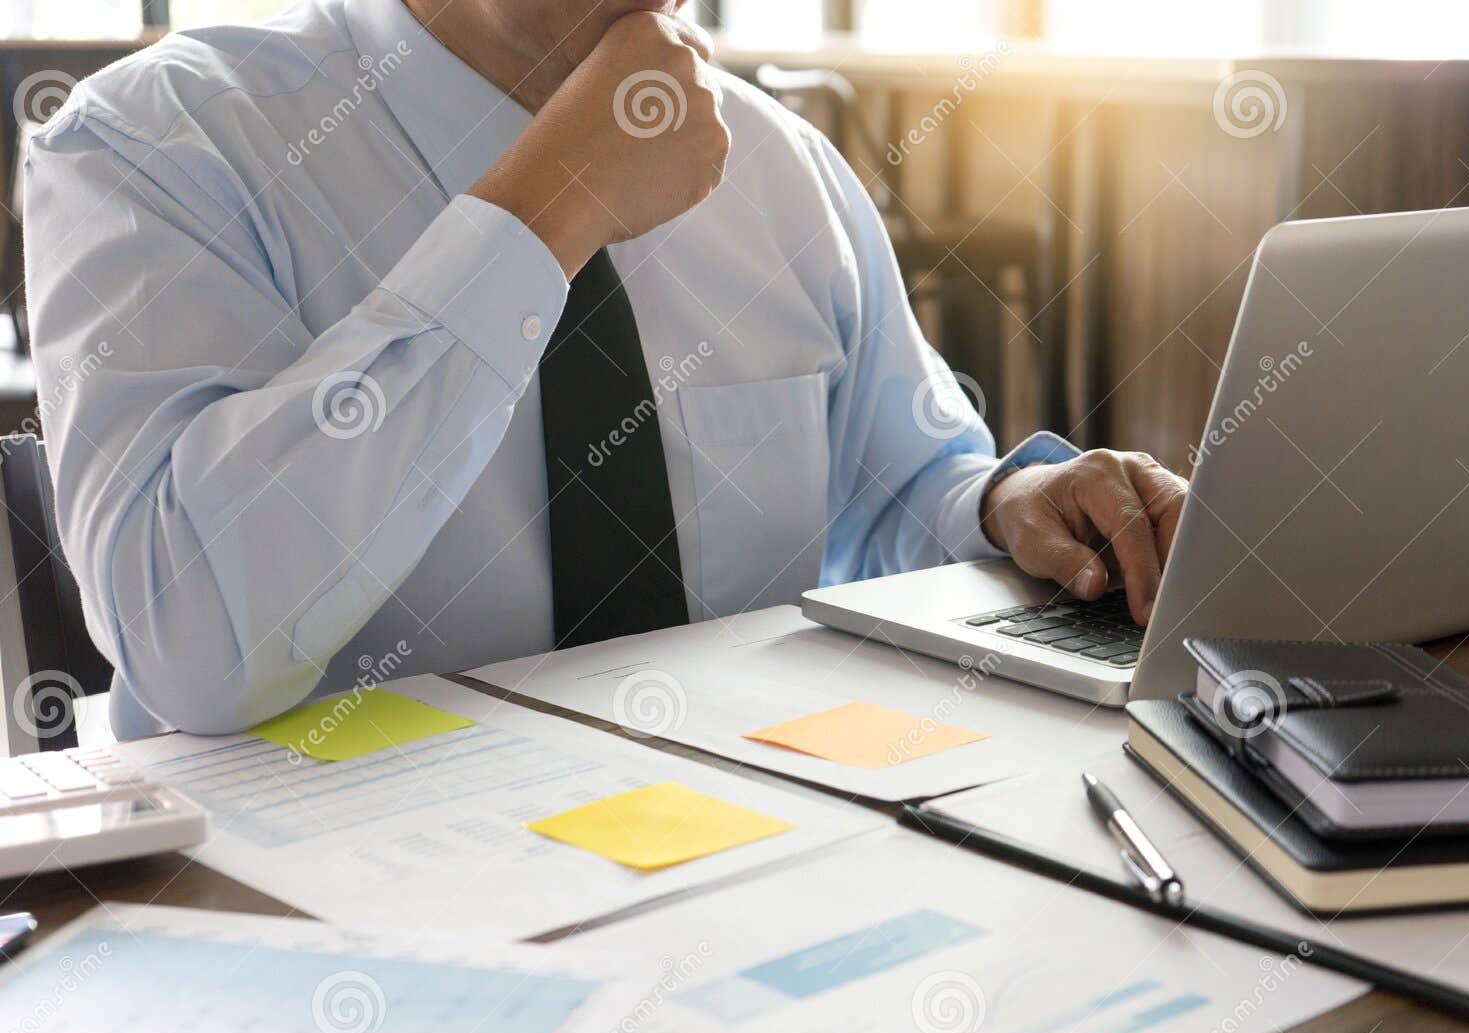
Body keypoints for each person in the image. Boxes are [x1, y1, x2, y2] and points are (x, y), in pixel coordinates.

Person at [23, 0, 1188, 738]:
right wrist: (545, 212)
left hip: (744, 858)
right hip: (312, 931)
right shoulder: (161, 139)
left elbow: (902, 489)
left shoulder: (781, 168)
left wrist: (1007, 505)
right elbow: (189, 649)